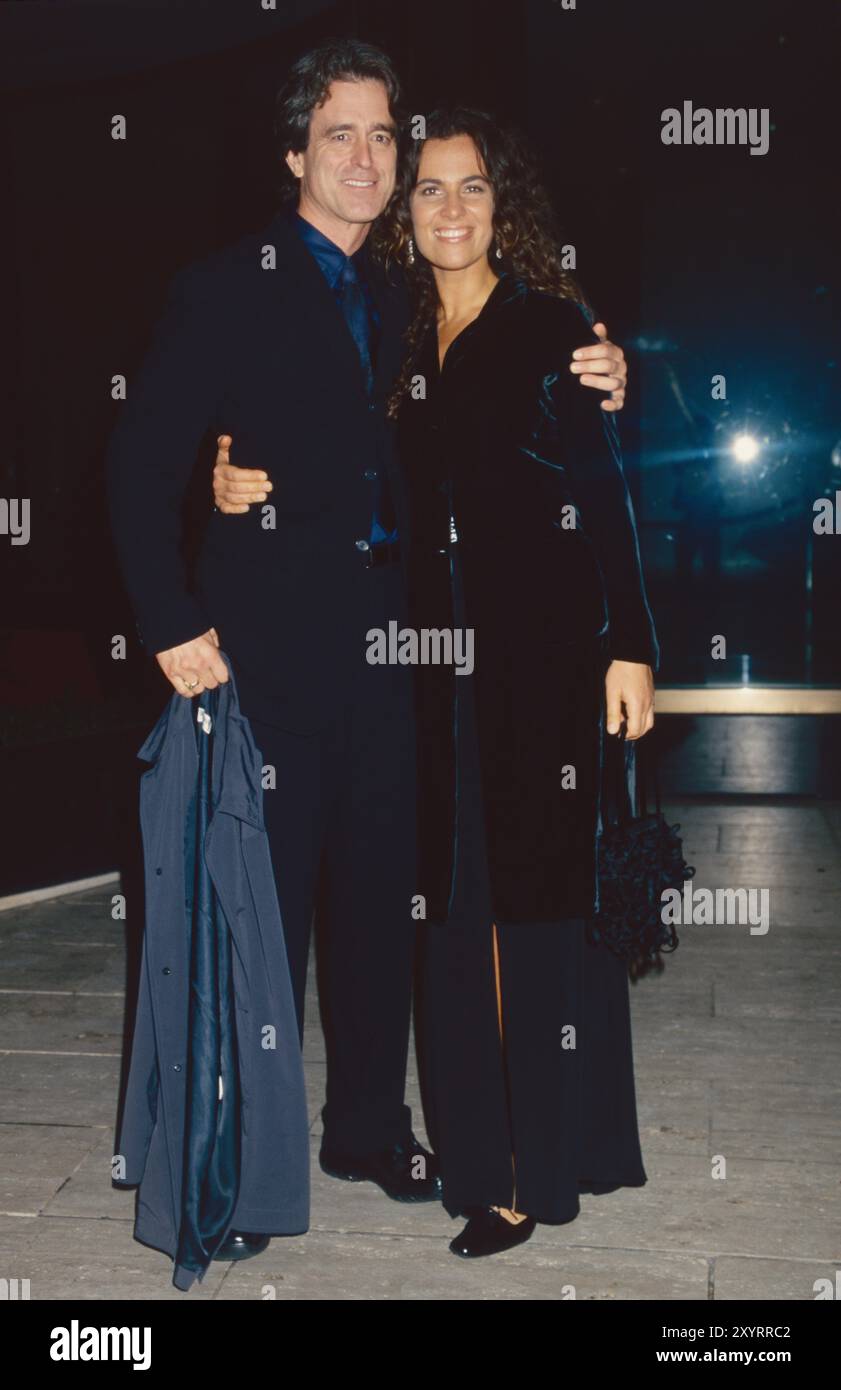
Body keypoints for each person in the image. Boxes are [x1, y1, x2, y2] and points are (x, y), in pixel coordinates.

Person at [110, 39, 629, 1264]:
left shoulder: (411, 291)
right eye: (338, 133)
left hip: (406, 672)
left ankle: (366, 1128)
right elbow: (138, 469)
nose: (365, 157)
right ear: (295, 152)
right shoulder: (224, 284)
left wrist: (604, 366)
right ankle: (238, 1169)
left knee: (385, 915)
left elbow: (509, 391)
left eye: (382, 135)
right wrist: (176, 612)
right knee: (264, 921)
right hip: (268, 663)